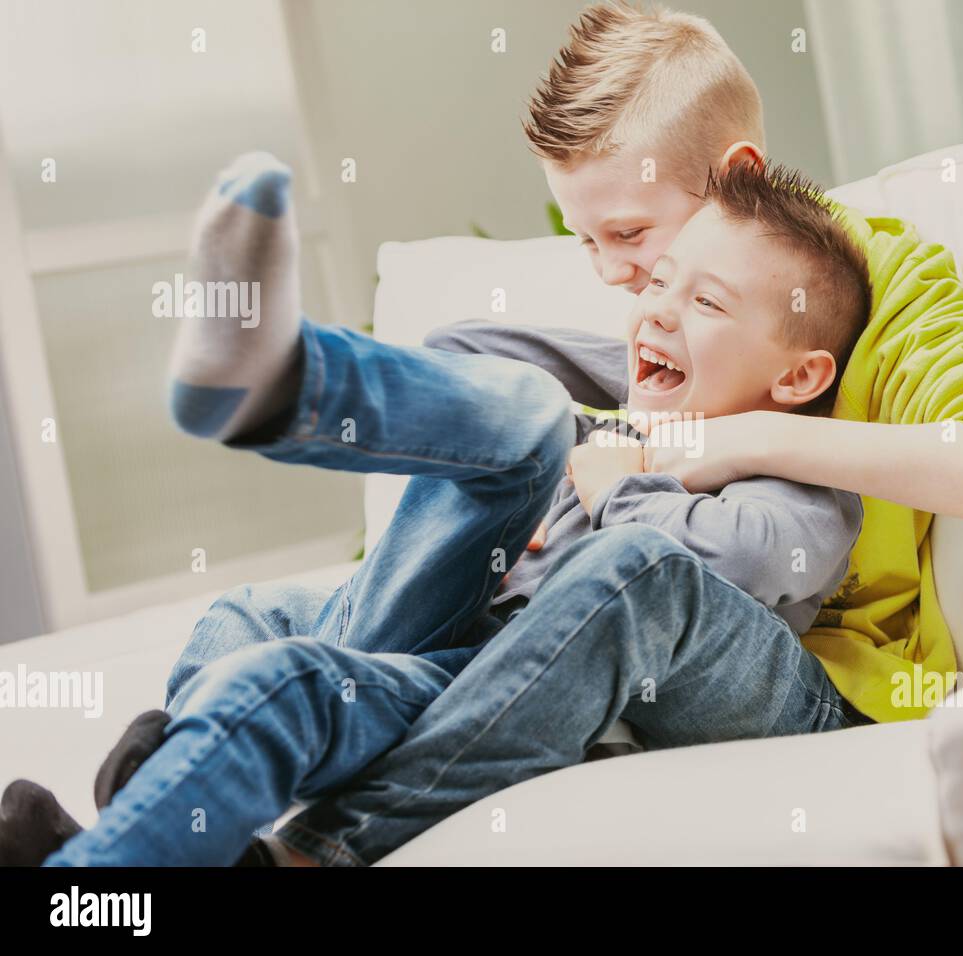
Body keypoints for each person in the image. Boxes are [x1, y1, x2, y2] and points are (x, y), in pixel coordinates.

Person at [2, 158, 872, 866]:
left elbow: (741, 568)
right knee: (272, 639)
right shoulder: (613, 414)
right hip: (496, 662)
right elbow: (462, 353)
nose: (658, 309)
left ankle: (295, 852)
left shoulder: (798, 471)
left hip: (690, 677)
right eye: (662, 284)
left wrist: (617, 481)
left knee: (628, 566)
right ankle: (149, 818)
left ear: (798, 377)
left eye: (708, 302)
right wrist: (629, 382)